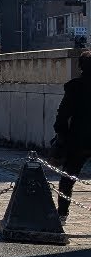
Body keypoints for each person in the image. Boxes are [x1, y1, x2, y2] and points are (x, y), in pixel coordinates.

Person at [53, 50, 91, 225]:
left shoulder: (75, 87)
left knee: (68, 178)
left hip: (79, 139)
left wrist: (61, 133)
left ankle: (62, 214)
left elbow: (63, 114)